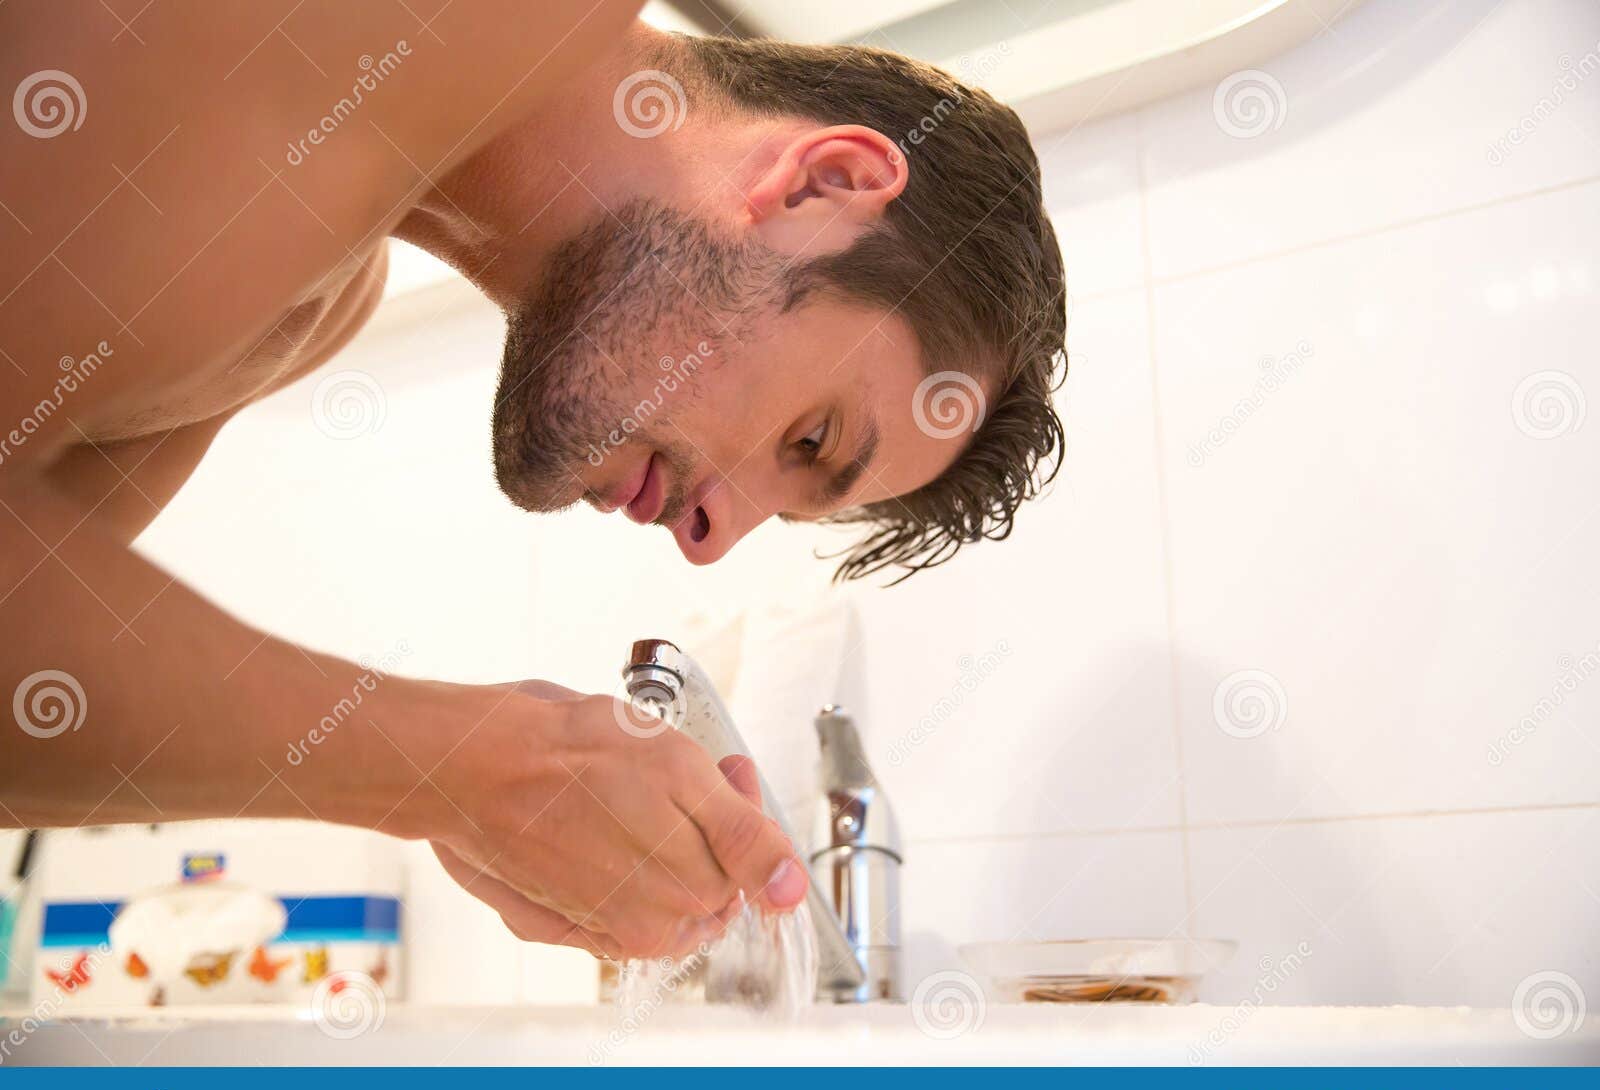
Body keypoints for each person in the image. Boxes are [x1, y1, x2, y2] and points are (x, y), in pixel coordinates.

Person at [0, 2, 1065, 960]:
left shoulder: (301, 316)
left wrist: (455, 776)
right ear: (823, 183)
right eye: (810, 439)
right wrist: (458, 769)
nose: (708, 540)